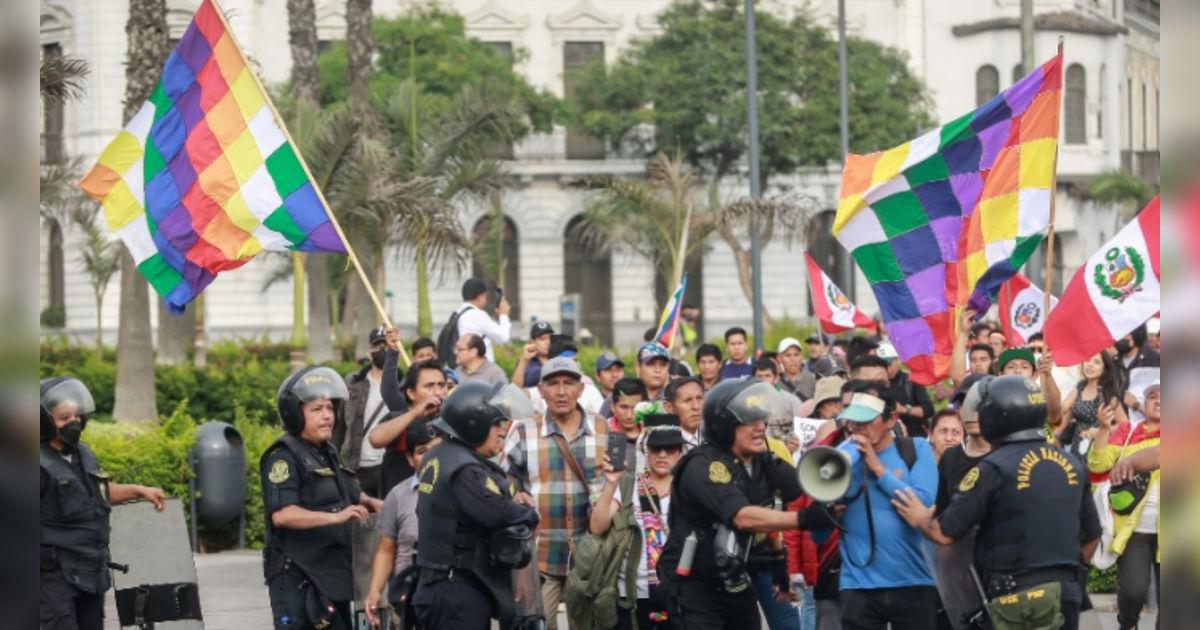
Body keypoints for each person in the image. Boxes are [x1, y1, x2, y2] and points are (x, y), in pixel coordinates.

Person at [893, 375, 1102, 630]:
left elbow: (945, 533)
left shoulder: (992, 467)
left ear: (996, 417)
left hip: (1016, 599)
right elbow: (1092, 536)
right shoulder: (1072, 463)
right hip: (1067, 595)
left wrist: (919, 517)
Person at [655, 379, 837, 630]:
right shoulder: (704, 465)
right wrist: (804, 519)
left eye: (762, 420)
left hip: (738, 581)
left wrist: (778, 563)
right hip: (695, 589)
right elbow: (743, 517)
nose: (760, 428)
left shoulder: (762, 459)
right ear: (724, 426)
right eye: (749, 422)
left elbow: (790, 493)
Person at [261, 366, 384, 630]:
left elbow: (346, 491)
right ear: (295, 414)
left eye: (330, 409)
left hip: (330, 575)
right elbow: (283, 515)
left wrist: (373, 503)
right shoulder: (283, 456)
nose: (327, 416)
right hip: (297, 578)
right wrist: (336, 517)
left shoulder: (325, 451)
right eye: (317, 410)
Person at [39, 377, 167, 630]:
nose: (74, 422)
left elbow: (98, 493)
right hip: (53, 577)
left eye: (77, 415)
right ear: (44, 422)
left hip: (90, 570)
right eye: (65, 417)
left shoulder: (84, 454)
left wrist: (139, 491)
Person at [412, 382, 542, 629]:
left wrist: (512, 495)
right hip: (456, 593)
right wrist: (529, 515)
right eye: (496, 424)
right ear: (474, 425)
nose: (503, 431)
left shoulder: (440, 455)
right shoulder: (465, 469)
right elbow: (496, 512)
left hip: (441, 585)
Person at [811, 388, 939, 630]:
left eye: (866, 421)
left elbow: (921, 503)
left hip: (913, 580)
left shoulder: (916, 449)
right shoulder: (839, 460)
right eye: (853, 421)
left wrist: (877, 468)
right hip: (857, 585)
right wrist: (826, 513)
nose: (858, 428)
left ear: (891, 420)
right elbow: (817, 536)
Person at [504, 356, 609, 630]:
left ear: (581, 389)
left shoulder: (601, 428)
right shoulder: (524, 432)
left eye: (568, 383)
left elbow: (615, 480)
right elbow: (504, 477)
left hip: (589, 554)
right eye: (553, 384)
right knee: (539, 623)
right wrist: (514, 492)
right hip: (541, 553)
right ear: (541, 390)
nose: (561, 392)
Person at [590, 414, 688, 630]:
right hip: (633, 594)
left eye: (670, 449)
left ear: (680, 453)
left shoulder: (688, 488)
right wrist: (611, 484)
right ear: (645, 450)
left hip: (680, 592)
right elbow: (597, 526)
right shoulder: (628, 486)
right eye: (656, 449)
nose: (662, 455)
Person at [1088, 382, 1160, 630]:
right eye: (1152, 396)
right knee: (1132, 591)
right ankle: (1127, 625)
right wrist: (1103, 429)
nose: (1159, 401)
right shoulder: (1128, 432)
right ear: (1144, 403)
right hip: (1134, 528)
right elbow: (1098, 465)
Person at [363, 420, 441, 628]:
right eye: (423, 451)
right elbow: (386, 550)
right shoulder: (397, 496)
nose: (431, 457)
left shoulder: (464, 489)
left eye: (438, 450)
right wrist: (375, 591)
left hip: (451, 598)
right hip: (409, 597)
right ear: (409, 458)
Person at [337, 326, 406, 498]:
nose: (382, 349)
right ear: (369, 352)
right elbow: (339, 426)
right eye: (377, 346)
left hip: (390, 467)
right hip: (356, 469)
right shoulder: (353, 383)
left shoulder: (404, 386)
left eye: (386, 345)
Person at [369, 360, 448, 496]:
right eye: (429, 386)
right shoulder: (399, 417)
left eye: (441, 385)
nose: (437, 392)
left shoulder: (449, 418)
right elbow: (375, 439)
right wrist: (414, 413)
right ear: (411, 393)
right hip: (402, 500)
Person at [1057, 352, 1129, 465]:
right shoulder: (1080, 386)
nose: (1089, 365)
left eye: (1096, 362)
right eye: (1087, 360)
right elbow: (1063, 408)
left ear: (1104, 369)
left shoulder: (1107, 394)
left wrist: (1101, 431)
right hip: (1076, 448)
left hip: (1097, 449)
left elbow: (1125, 426)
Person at [997, 346, 1063, 430]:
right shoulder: (993, 400)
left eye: (1024, 367)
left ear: (1034, 375)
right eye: (1011, 367)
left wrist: (1047, 374)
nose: (1018, 371)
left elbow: (1053, 417)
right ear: (1000, 375)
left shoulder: (1039, 400)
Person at [878, 342, 933, 438]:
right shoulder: (876, 383)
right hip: (888, 438)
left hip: (916, 436)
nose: (886, 369)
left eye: (888, 364)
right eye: (881, 365)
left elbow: (929, 410)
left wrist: (903, 409)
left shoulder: (911, 380)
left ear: (898, 360)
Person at [455, 277, 512, 362]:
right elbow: (503, 337)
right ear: (480, 297)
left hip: (463, 367)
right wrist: (504, 315)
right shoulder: (478, 315)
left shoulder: (458, 313)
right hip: (479, 369)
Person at [609, 377, 649, 470]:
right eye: (623, 407)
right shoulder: (600, 433)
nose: (629, 415)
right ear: (612, 407)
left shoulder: (653, 434)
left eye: (635, 408)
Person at [663, 376, 705, 450]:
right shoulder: (661, 443)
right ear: (669, 407)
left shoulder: (715, 437)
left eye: (699, 398)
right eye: (688, 400)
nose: (696, 406)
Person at [513, 321, 555, 387]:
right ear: (532, 342)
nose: (548, 342)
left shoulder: (559, 358)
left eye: (550, 338)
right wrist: (523, 360)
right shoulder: (525, 361)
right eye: (542, 339)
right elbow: (515, 389)